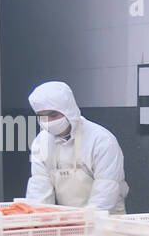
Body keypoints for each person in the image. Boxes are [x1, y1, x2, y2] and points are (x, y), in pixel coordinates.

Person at [25, 81, 128, 213]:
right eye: (42, 116)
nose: (48, 122)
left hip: (106, 219)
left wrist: (86, 221)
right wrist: (36, 219)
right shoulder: (41, 142)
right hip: (69, 220)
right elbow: (39, 185)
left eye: (53, 115)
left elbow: (106, 187)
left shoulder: (101, 140)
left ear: (68, 110)